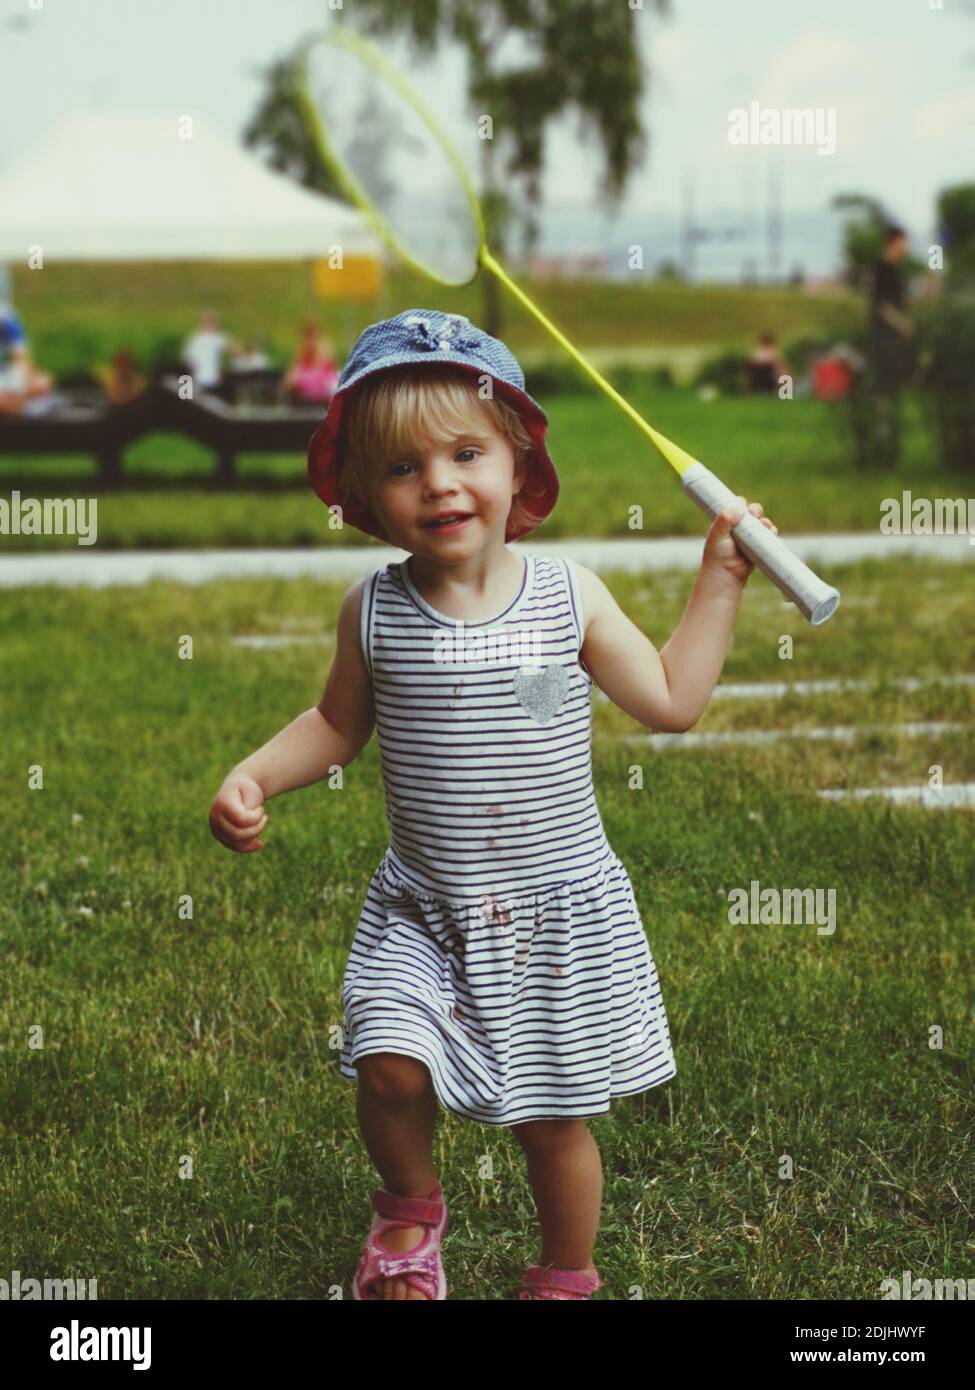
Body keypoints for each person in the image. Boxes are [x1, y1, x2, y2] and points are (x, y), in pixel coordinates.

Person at [207, 308, 779, 1302]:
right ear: (362, 497)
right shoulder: (374, 608)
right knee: (386, 1064)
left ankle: (564, 1275)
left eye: (466, 452)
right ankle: (409, 1213)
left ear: (518, 466)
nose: (438, 483)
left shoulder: (570, 598)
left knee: (549, 1122)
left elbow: (673, 700)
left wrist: (720, 577)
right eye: (401, 467)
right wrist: (255, 773)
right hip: (423, 905)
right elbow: (338, 726)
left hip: (551, 914)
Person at [861, 224, 914, 466]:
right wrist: (902, 324)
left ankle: (888, 438)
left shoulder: (895, 270)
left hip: (893, 338)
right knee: (882, 389)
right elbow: (881, 306)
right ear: (893, 242)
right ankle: (882, 440)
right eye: (904, 242)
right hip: (885, 337)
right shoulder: (883, 269)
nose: (907, 247)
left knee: (891, 390)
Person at [0, 297, 53, 413]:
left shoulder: (6, 316)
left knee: (42, 382)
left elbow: (22, 358)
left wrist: (30, 379)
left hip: (6, 379)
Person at [283, 319, 339, 405]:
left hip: (321, 404)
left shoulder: (325, 355)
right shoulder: (301, 357)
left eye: (313, 337)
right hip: (303, 404)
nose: (310, 342)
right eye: (307, 337)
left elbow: (327, 383)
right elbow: (289, 382)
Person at [182, 310, 235, 392]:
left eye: (213, 322)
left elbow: (232, 349)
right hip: (199, 379)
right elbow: (187, 358)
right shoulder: (195, 337)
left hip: (215, 380)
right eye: (207, 321)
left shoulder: (219, 337)